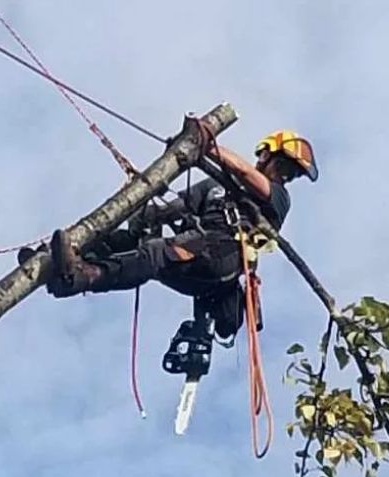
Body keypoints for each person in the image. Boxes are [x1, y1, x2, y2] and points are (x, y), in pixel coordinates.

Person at [46, 130, 318, 336]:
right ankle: (64, 260)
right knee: (137, 240)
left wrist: (202, 143)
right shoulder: (216, 184)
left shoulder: (279, 197)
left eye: (291, 174)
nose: (284, 176)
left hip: (223, 255)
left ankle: (83, 277)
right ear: (265, 155)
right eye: (283, 168)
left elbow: (243, 171)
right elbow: (173, 208)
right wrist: (145, 199)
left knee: (157, 252)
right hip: (196, 255)